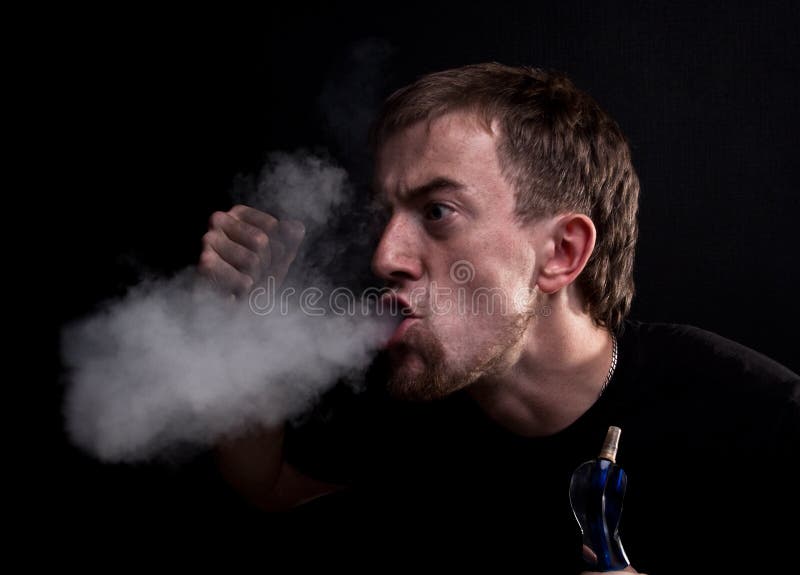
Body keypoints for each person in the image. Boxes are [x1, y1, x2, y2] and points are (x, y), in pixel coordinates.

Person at [199, 63, 799, 573]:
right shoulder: (412, 395)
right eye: (389, 214)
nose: (385, 256)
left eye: (437, 210)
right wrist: (242, 325)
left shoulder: (758, 418)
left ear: (561, 253)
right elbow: (267, 484)